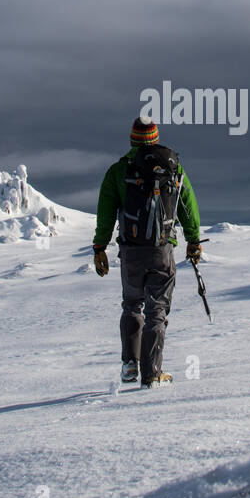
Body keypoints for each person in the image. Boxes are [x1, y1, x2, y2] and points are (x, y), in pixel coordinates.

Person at [92, 116, 201, 388]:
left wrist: (99, 247)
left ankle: (130, 365)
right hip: (162, 249)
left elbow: (105, 215)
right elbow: (187, 205)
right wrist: (193, 239)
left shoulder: (118, 171)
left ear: (132, 139)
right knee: (157, 311)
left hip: (130, 251)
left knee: (132, 305)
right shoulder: (173, 167)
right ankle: (152, 373)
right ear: (155, 138)